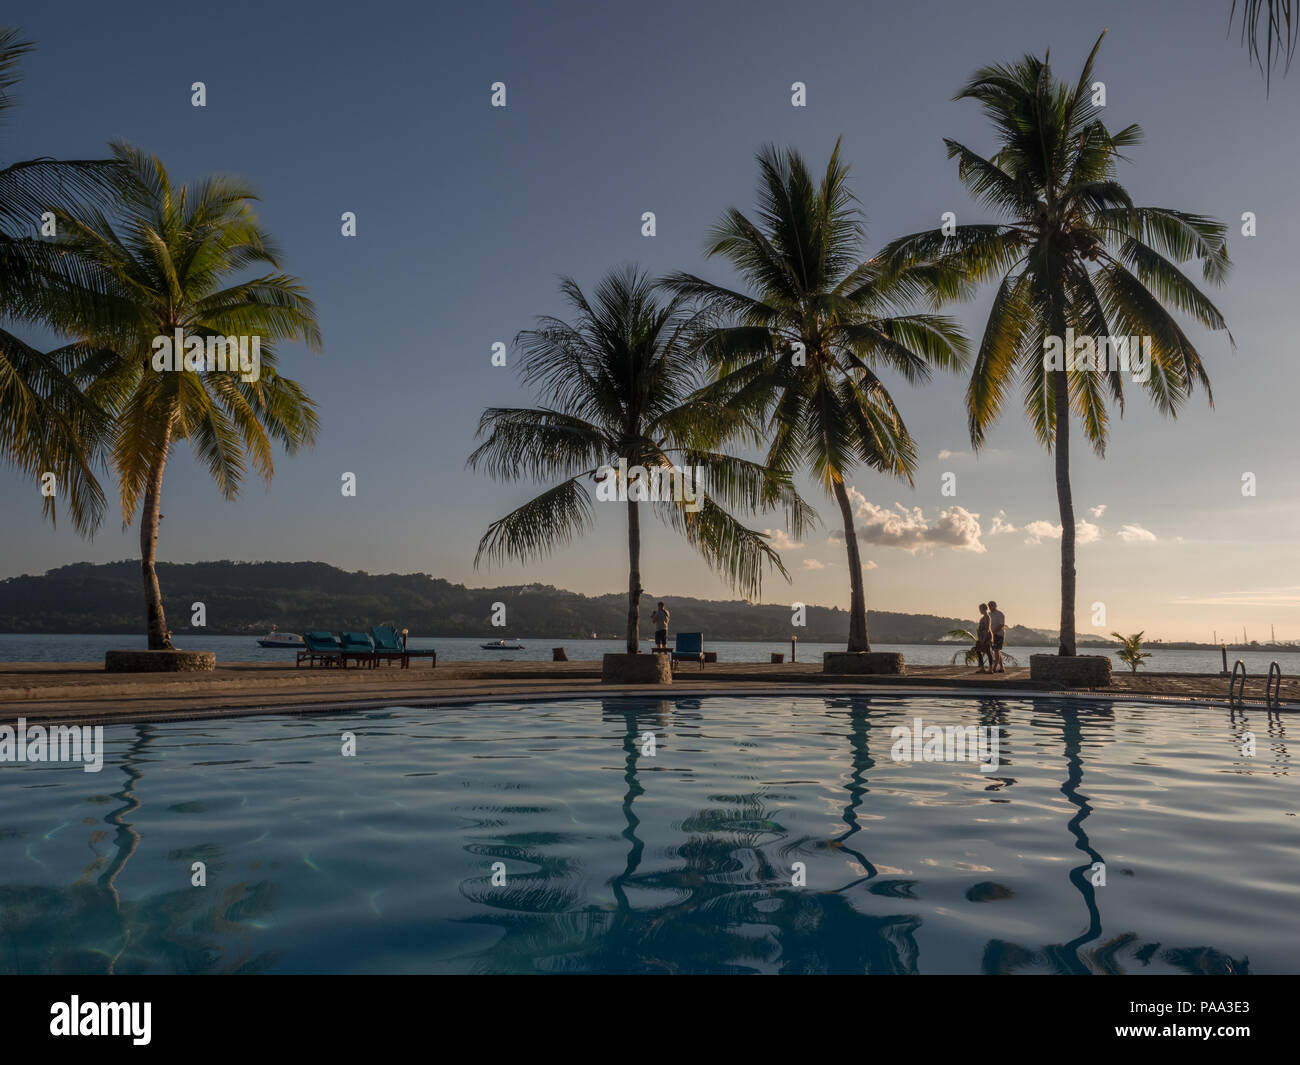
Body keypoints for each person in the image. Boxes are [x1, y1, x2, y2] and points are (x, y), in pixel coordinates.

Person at [988, 600, 1006, 673]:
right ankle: (1002, 667)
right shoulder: (988, 614)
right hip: (991, 635)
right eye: (989, 605)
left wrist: (993, 633)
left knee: (996, 650)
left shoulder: (1000, 614)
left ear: (995, 605)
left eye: (991, 605)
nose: (990, 607)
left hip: (998, 634)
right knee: (997, 651)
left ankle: (994, 667)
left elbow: (1001, 625)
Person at [975, 603, 993, 673]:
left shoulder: (986, 617)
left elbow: (987, 629)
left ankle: (990, 669)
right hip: (982, 636)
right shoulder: (983, 617)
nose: (979, 611)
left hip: (986, 636)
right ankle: (982, 668)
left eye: (980, 609)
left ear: (983, 609)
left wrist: (984, 639)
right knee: (978, 650)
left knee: (988, 652)